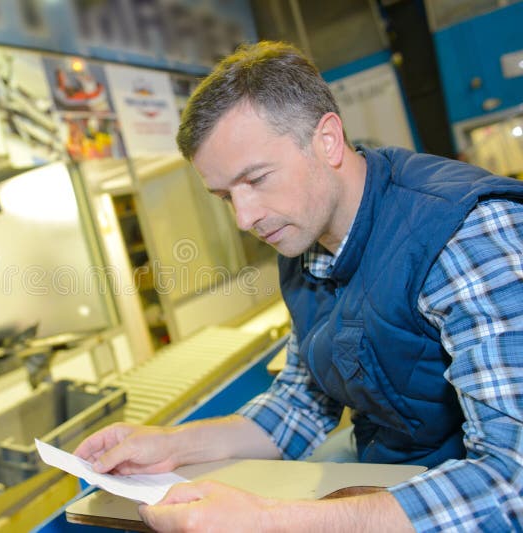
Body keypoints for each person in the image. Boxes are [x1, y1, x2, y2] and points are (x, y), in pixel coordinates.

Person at [75, 41, 523, 532]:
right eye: (225, 196)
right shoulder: (303, 243)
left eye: (257, 179)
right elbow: (299, 403)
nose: (245, 217)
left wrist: (274, 522)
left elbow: (510, 481)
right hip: (390, 485)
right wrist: (169, 445)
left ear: (327, 140)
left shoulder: (463, 234)